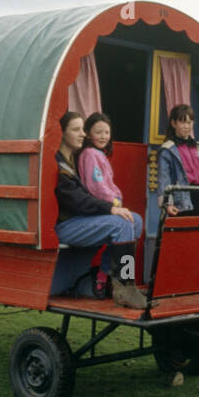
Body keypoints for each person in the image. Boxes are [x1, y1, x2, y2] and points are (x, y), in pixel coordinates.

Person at [52, 111, 146, 309]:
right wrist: (111, 208)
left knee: (135, 220)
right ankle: (125, 286)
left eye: (82, 130)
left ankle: (114, 277)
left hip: (80, 220)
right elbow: (78, 201)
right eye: (76, 130)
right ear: (62, 133)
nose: (82, 134)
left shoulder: (74, 159)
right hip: (65, 224)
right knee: (122, 223)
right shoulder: (58, 164)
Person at [76, 112, 127, 298]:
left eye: (107, 132)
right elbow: (96, 186)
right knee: (127, 226)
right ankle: (109, 275)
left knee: (130, 228)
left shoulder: (99, 154)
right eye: (99, 132)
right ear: (88, 134)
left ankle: (111, 273)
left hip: (105, 206)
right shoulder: (90, 154)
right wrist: (114, 201)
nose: (104, 136)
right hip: (95, 208)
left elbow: (108, 184)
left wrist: (118, 197)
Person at [156, 104, 199, 219]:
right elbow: (164, 179)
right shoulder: (167, 150)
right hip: (181, 198)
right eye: (182, 122)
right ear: (173, 123)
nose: (186, 126)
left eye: (189, 122)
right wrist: (168, 203)